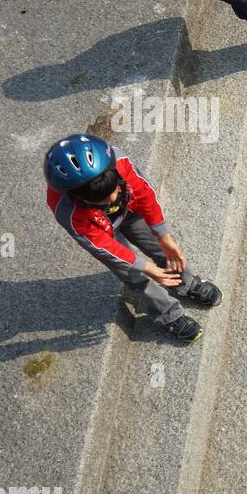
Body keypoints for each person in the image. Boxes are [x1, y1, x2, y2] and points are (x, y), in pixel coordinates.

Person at [44, 134, 221, 343]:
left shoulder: (119, 162)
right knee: (135, 274)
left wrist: (164, 235)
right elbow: (105, 247)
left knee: (162, 249)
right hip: (101, 231)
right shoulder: (68, 212)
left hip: (131, 212)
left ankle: (187, 283)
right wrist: (144, 266)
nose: (112, 202)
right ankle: (170, 314)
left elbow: (145, 194)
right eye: (103, 202)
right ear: (78, 198)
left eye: (116, 191)